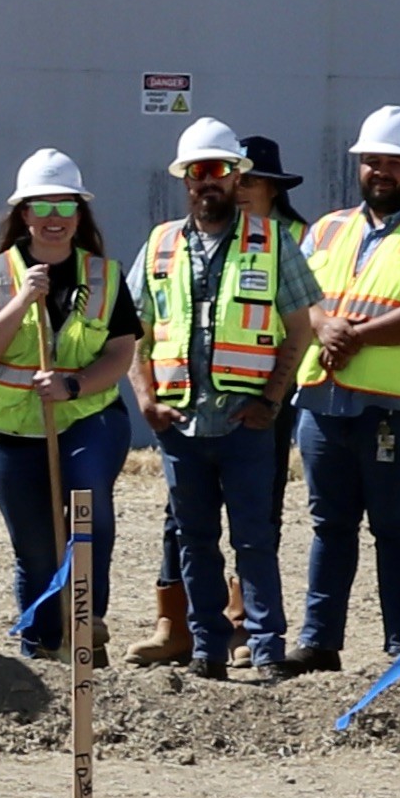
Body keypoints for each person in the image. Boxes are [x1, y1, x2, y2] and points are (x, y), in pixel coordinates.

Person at [130, 118, 317, 676]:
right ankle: (206, 648)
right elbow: (131, 332)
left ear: (237, 177)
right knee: (195, 540)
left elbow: (300, 327)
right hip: (182, 424)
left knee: (254, 539)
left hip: (244, 422)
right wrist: (146, 402)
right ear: (185, 180)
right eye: (197, 172)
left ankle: (265, 648)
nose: (206, 181)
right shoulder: (161, 243)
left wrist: (272, 400)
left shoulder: (272, 241)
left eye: (218, 171)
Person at [289, 104, 400, 674]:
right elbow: (300, 294)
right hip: (322, 400)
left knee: (394, 526)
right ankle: (319, 642)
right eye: (371, 161)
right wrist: (322, 324)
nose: (380, 171)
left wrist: (353, 336)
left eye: (394, 162)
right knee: (328, 526)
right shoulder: (329, 228)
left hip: (389, 407)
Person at [0, 151, 138, 657]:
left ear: (80, 215)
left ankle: (87, 621)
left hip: (87, 417)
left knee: (87, 503)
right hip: (11, 433)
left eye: (65, 206)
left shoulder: (104, 275)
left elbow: (122, 351)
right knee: (36, 549)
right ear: (24, 215)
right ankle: (41, 646)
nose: (55, 219)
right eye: (43, 206)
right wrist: (21, 301)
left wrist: (73, 387)